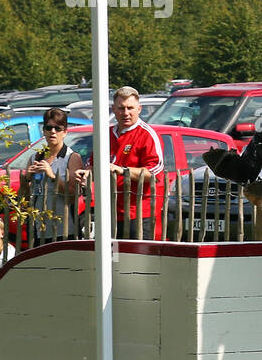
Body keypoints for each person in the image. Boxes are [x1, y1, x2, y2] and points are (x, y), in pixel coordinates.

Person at [75, 86, 164, 238]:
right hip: (110, 212)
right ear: (113, 109)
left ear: (139, 109)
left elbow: (155, 174)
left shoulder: (147, 135)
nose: (126, 113)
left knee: (137, 260)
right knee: (114, 259)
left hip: (140, 215)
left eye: (130, 108)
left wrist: (122, 170)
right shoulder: (106, 134)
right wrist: (86, 173)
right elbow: (93, 164)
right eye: (121, 108)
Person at [19, 107, 85, 244]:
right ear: (44, 131)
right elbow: (24, 199)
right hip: (39, 229)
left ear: (65, 132)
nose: (52, 132)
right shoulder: (35, 157)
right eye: (49, 128)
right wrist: (26, 179)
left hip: (65, 230)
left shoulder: (72, 157)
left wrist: (52, 175)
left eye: (58, 128)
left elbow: (73, 196)